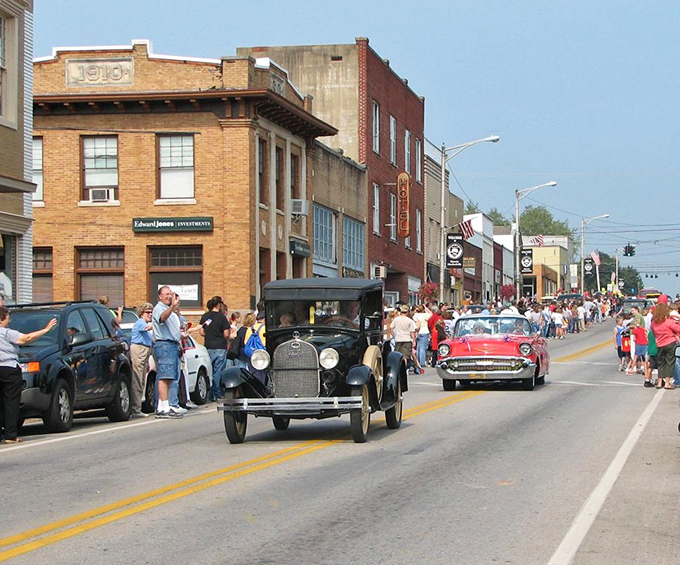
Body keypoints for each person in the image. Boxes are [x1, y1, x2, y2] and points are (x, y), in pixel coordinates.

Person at [0, 307, 57, 443]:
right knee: (11, 402)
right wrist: (46, 330)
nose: (10, 320)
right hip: (9, 369)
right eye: (8, 317)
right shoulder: (6, 333)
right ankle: (10, 435)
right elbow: (27, 338)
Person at [151, 287, 183, 418]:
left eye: (170, 294)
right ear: (159, 297)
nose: (169, 296)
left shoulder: (170, 310)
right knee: (164, 377)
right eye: (166, 294)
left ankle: (165, 405)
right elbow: (162, 318)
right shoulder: (159, 308)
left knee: (170, 377)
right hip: (164, 344)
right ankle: (163, 408)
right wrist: (172, 308)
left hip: (172, 345)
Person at [200, 296, 231, 402]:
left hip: (208, 346)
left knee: (209, 370)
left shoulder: (205, 316)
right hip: (220, 347)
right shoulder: (222, 317)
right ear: (218, 305)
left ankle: (209, 394)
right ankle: (216, 392)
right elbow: (226, 334)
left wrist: (209, 334)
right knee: (218, 371)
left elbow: (201, 332)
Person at [129, 302, 153, 417]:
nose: (150, 314)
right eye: (148, 312)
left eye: (151, 312)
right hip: (138, 350)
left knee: (142, 380)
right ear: (142, 313)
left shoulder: (145, 324)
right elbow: (149, 327)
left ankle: (138, 407)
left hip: (145, 352)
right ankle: (135, 409)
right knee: (137, 379)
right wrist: (158, 322)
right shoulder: (140, 323)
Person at [650, 302, 680, 389]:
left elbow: (654, 332)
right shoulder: (669, 322)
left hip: (659, 344)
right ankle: (667, 383)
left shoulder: (653, 324)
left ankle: (660, 382)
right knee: (670, 363)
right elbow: (678, 329)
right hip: (670, 342)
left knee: (661, 363)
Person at [391, 305, 417, 374]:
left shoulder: (396, 320)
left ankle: (398, 369)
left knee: (398, 355)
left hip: (398, 339)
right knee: (405, 356)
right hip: (407, 339)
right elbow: (412, 332)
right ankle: (404, 370)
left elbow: (391, 328)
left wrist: (394, 336)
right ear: (407, 312)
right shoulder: (409, 321)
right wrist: (414, 341)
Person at [413, 304, 432, 369]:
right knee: (422, 348)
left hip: (417, 332)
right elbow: (431, 313)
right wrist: (426, 308)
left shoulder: (415, 315)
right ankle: (422, 363)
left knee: (418, 348)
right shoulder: (425, 315)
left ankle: (417, 362)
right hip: (424, 332)